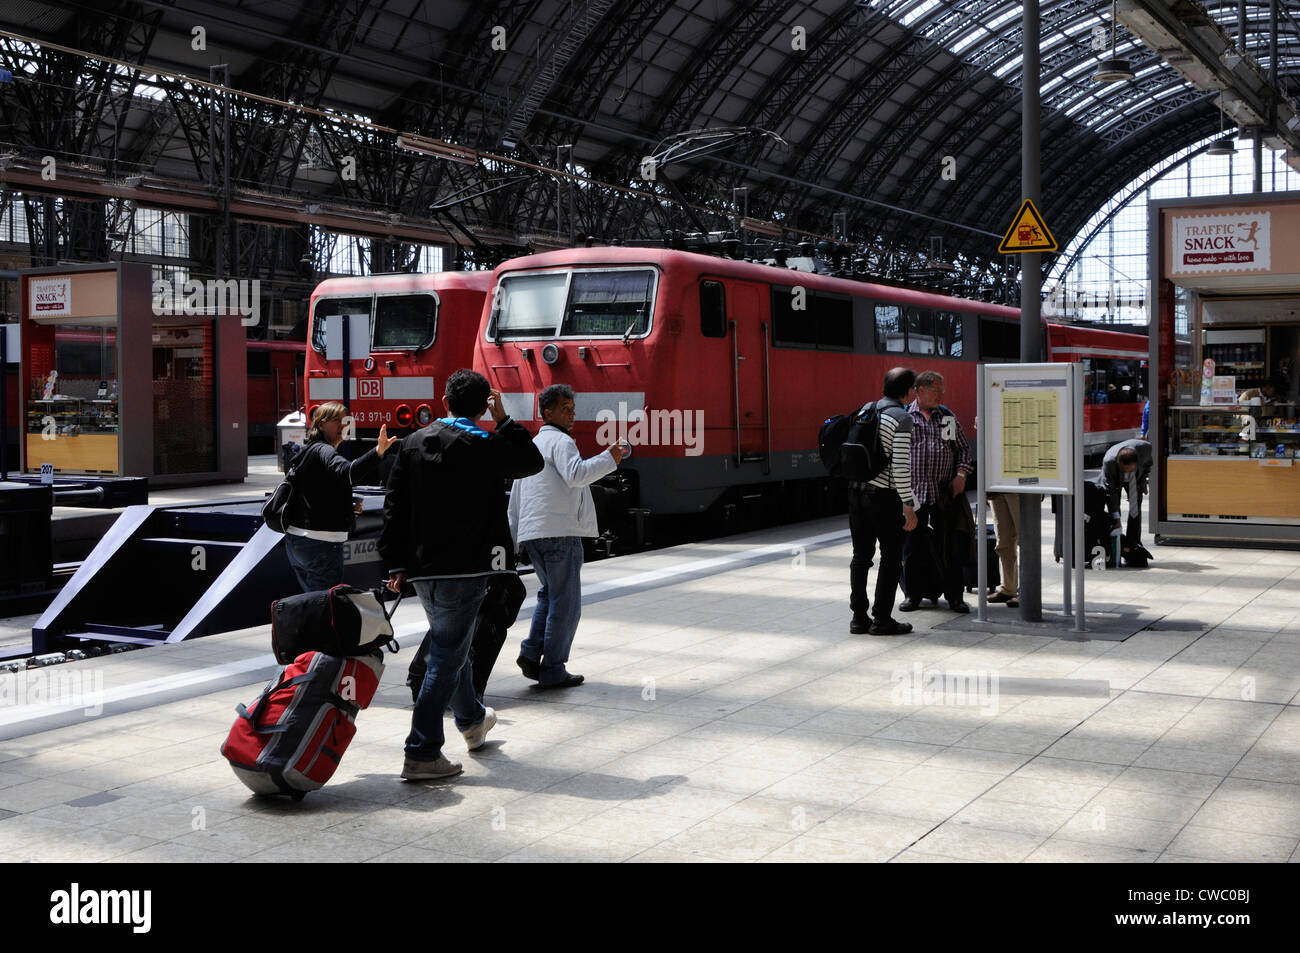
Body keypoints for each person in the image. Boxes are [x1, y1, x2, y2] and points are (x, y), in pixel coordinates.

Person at [379, 369, 544, 782]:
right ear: (484, 403)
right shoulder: (485, 442)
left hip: (422, 568)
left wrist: (395, 563)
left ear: (444, 398)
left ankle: (471, 721)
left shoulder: (412, 443)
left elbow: (395, 505)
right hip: (466, 566)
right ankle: (421, 752)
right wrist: (504, 418)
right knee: (447, 656)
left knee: (454, 645)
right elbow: (531, 461)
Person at [508, 384, 627, 688]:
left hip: (534, 534)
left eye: (573, 409)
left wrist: (516, 537)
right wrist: (610, 457)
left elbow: (516, 497)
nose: (572, 414)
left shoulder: (533, 445)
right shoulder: (562, 442)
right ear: (548, 412)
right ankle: (553, 669)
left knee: (549, 595)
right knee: (567, 603)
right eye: (565, 409)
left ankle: (532, 653)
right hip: (560, 533)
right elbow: (577, 475)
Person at [282, 401, 395, 592]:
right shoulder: (324, 450)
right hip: (321, 543)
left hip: (297, 542)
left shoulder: (308, 451)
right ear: (321, 423)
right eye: (337, 421)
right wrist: (378, 452)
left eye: (346, 421)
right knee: (325, 607)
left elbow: (317, 493)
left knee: (313, 603)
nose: (343, 426)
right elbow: (349, 472)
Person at [848, 367, 919, 636]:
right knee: (891, 557)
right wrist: (908, 505)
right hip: (883, 499)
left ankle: (858, 618)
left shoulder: (868, 409)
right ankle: (881, 619)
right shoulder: (901, 418)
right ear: (908, 391)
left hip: (855, 493)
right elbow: (901, 467)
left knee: (861, 557)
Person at [899, 371, 973, 614]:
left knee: (950, 546)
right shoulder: (905, 419)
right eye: (935, 390)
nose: (941, 395)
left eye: (942, 390)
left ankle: (955, 597)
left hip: (943, 495)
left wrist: (961, 475)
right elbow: (895, 459)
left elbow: (962, 450)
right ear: (919, 391)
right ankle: (913, 595)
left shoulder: (946, 418)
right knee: (912, 547)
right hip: (914, 496)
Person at [1097, 438, 1154, 558]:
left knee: (1136, 507)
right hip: (1114, 481)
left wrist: (1141, 481)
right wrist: (1116, 518)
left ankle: (1133, 543)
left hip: (1136, 480)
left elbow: (1149, 464)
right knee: (1113, 506)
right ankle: (1117, 543)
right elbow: (1110, 493)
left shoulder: (1146, 448)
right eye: (1124, 470)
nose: (1126, 472)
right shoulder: (1109, 462)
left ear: (1136, 462)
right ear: (1119, 463)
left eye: (1129, 470)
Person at [987, 494, 1019, 607]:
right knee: (1003, 542)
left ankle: (1029, 591)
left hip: (1021, 485)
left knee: (1027, 541)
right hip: (997, 486)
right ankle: (1008, 588)